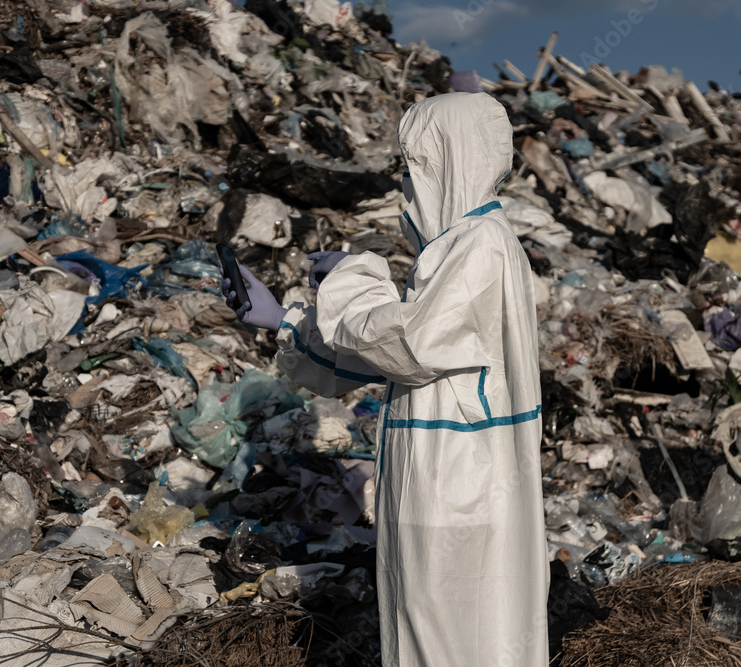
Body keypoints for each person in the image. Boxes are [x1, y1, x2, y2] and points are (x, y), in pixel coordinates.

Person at [222, 92, 548, 667]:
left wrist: (352, 276)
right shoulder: (458, 254)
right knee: (429, 635)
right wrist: (288, 320)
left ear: (448, 161)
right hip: (440, 490)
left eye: (413, 164)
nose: (407, 182)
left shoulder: (482, 246)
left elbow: (409, 345)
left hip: (460, 497)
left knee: (456, 641)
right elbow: (392, 350)